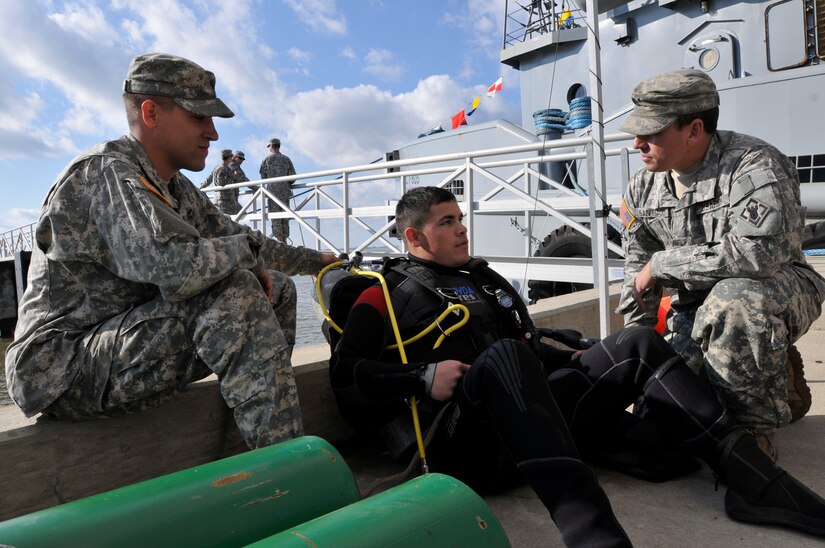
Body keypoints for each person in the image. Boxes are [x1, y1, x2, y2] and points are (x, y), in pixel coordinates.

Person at [329, 186, 825, 545]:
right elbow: (345, 378)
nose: (462, 228)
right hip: (465, 446)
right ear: (414, 236)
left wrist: (576, 357)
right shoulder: (383, 294)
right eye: (447, 222)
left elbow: (527, 345)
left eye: (461, 218)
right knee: (504, 357)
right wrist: (421, 377)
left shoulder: (483, 282)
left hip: (534, 426)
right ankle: (595, 536)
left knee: (633, 342)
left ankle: (757, 482)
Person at [4, 53, 337, 450]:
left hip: (116, 345)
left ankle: (256, 442)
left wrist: (319, 262)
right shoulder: (106, 174)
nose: (213, 134)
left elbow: (242, 237)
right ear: (151, 113)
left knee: (278, 290)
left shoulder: (174, 186)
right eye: (199, 118)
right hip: (59, 366)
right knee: (237, 292)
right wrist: (244, 256)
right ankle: (286, 474)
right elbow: (177, 270)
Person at [616, 69, 825, 461]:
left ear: (694, 130)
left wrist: (663, 263)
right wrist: (638, 347)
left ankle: (749, 438)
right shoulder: (643, 187)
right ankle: (780, 377)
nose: (636, 143)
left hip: (776, 288)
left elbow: (756, 256)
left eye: (651, 132)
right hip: (695, 306)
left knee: (734, 303)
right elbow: (636, 270)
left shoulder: (754, 164)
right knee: (661, 420)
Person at [259, 138, 296, 242]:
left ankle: (280, 242)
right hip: (285, 192)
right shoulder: (286, 159)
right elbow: (293, 178)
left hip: (272, 193)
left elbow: (263, 177)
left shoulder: (266, 160)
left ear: (271, 146)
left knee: (275, 218)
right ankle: (285, 242)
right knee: (285, 217)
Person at [200, 148, 241, 215]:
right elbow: (221, 183)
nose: (232, 158)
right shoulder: (222, 168)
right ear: (228, 157)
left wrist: (201, 187)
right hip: (224, 201)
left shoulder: (219, 167)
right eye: (231, 156)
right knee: (227, 222)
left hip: (228, 200)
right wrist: (233, 176)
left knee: (241, 214)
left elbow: (209, 179)